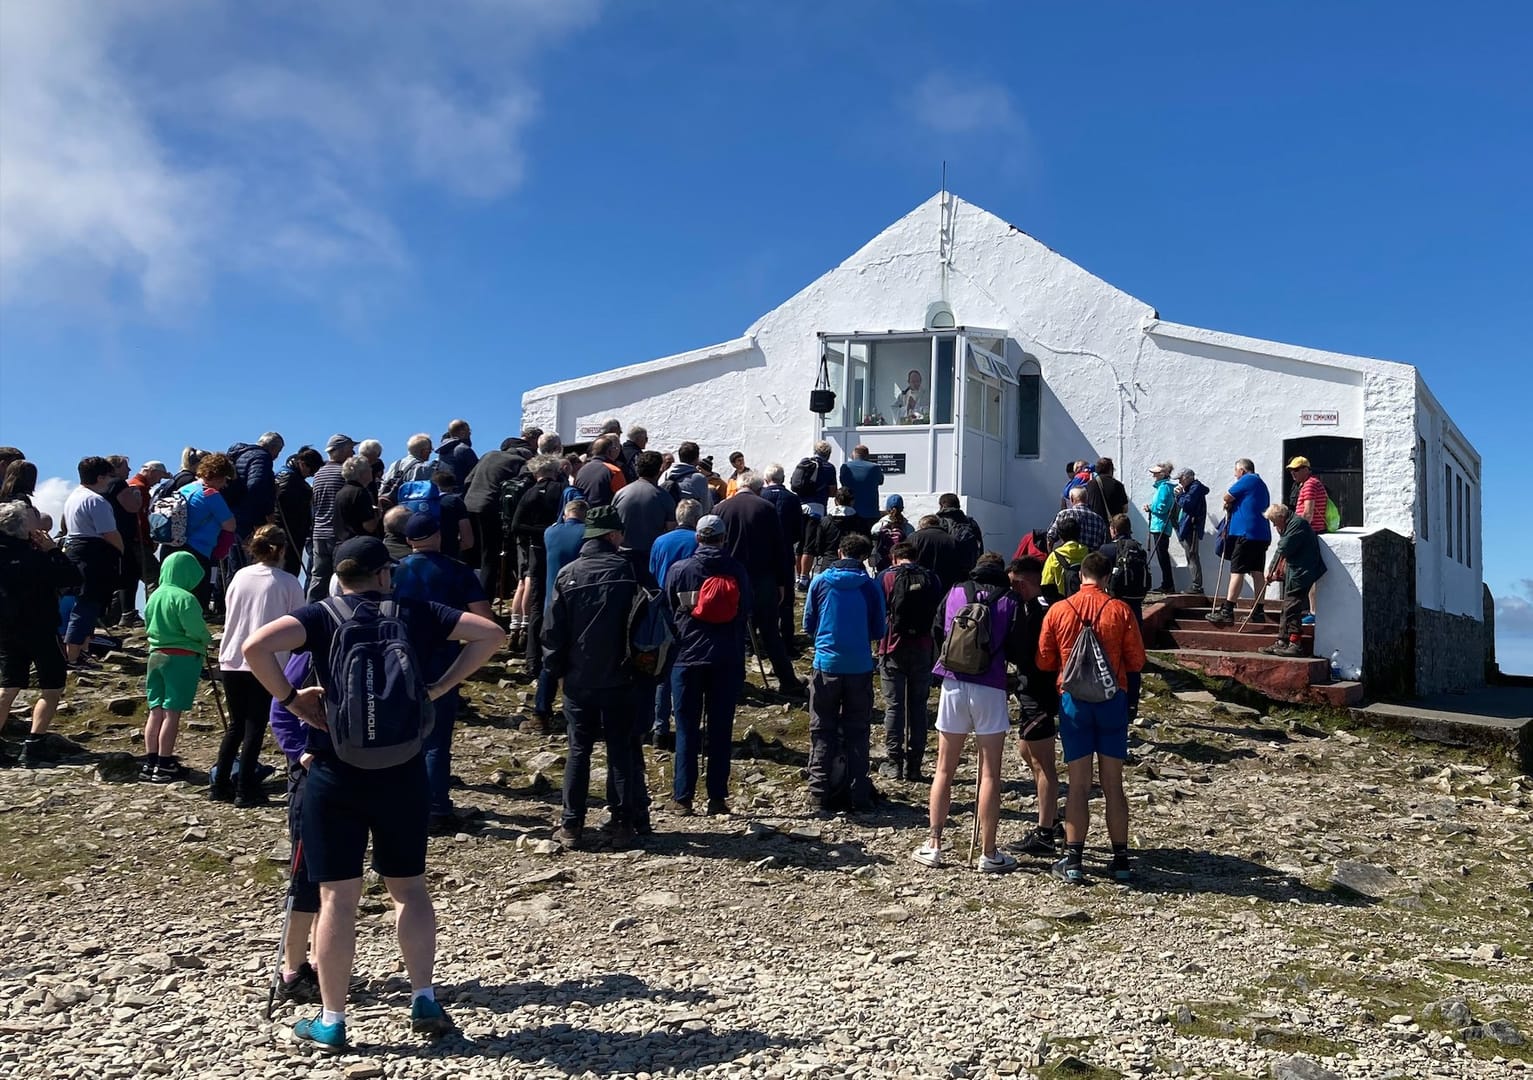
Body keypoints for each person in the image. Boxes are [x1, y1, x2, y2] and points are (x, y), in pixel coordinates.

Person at [242, 535, 503, 1052]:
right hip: (403, 769)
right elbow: (490, 633)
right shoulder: (416, 610)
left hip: (335, 770)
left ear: (341, 575)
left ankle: (333, 1020)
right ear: (386, 574)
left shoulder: (320, 615)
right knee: (410, 889)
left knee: (338, 896)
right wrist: (438, 686)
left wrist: (293, 700)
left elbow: (255, 648)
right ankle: (424, 997)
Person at [1036, 552, 1146, 885]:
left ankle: (1073, 860)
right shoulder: (1120, 610)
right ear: (1108, 576)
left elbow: (1043, 660)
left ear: (1080, 574)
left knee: (1078, 784)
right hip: (1112, 700)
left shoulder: (1059, 610)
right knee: (1114, 785)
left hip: (1074, 703)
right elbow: (1137, 661)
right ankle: (1121, 859)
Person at [543, 506, 649, 848]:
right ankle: (622, 824)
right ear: (612, 535)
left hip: (578, 678)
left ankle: (571, 825)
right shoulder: (629, 572)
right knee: (620, 749)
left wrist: (556, 672)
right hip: (622, 676)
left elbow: (552, 631)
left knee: (578, 750)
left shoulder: (567, 574)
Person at [912, 553, 1023, 873]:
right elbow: (1017, 648)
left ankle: (934, 844)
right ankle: (988, 852)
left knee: (944, 768)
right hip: (991, 686)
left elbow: (937, 631)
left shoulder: (955, 591)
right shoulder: (1010, 601)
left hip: (954, 683)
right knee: (990, 773)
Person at [392, 513, 496, 833]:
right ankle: (436, 807)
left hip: (398, 657)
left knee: (401, 733)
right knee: (436, 737)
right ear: (437, 535)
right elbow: (485, 619)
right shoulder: (458, 570)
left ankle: (399, 802)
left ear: (409, 541)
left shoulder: (394, 573)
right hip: (443, 659)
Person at [663, 514, 751, 816]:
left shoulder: (680, 569)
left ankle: (682, 797)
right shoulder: (736, 570)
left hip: (686, 656)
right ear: (723, 538)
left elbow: (669, 607)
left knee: (686, 727)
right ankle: (717, 797)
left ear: (697, 538)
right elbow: (745, 611)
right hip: (726, 656)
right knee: (720, 728)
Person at [213, 525, 305, 806]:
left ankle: (219, 785)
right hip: (268, 661)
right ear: (280, 550)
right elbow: (299, 622)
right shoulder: (288, 582)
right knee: (255, 725)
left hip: (232, 657)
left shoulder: (240, 576)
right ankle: (245, 789)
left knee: (236, 725)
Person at [802, 532, 885, 814]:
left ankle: (818, 795)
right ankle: (859, 794)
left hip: (826, 663)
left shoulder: (821, 581)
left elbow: (808, 623)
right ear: (863, 556)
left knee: (821, 729)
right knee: (858, 730)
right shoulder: (870, 586)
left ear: (839, 552)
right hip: (860, 665)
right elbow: (879, 629)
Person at [0, 502, 82, 768]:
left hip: (7, 628)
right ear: (25, 527)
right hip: (41, 627)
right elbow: (72, 579)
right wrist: (53, 551)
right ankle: (34, 744)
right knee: (52, 686)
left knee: (9, 685)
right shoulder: (37, 556)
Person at [716, 470, 806, 698]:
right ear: (758, 488)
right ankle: (787, 680)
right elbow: (779, 547)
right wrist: (783, 581)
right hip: (763, 577)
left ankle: (734, 683)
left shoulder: (721, 508)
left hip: (731, 578)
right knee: (769, 631)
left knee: (733, 631)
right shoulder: (765, 508)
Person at [266, 647, 322, 1008]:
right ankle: (292, 971)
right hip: (309, 776)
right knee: (304, 874)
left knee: (334, 876)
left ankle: (318, 961)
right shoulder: (309, 655)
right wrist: (300, 753)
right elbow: (279, 711)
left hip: (344, 776)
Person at [1007, 556, 1061, 858]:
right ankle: (1051, 817)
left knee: (1043, 764)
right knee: (1026, 750)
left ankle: (1046, 831)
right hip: (1038, 687)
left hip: (1038, 689)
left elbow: (1027, 650)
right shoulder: (1055, 601)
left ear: (1021, 581)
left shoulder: (1032, 609)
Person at [142, 550, 212, 784]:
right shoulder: (185, 598)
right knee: (172, 712)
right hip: (181, 656)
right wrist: (206, 639)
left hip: (156, 655)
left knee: (156, 710)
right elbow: (194, 628)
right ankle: (165, 763)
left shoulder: (154, 596)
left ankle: (150, 761)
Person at [523, 499, 588, 736]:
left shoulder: (551, 533)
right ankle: (579, 712)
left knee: (550, 659)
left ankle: (541, 712)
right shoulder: (587, 534)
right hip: (579, 603)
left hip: (552, 602)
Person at [875, 542, 939, 783]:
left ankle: (894, 763)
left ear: (894, 558)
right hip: (922, 647)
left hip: (892, 646)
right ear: (916, 557)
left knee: (894, 706)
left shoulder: (886, 577)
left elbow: (878, 610)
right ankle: (915, 765)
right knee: (918, 707)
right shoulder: (931, 578)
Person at [61, 457, 125, 668]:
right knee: (87, 605)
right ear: (99, 477)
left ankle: (82, 651)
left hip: (75, 551)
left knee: (84, 603)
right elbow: (109, 532)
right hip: (93, 554)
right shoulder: (96, 501)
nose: (109, 482)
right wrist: (120, 549)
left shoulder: (73, 497)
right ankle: (73, 656)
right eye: (108, 477)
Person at [648, 499, 701, 748]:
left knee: (664, 669)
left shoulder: (660, 541)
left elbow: (653, 572)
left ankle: (659, 725)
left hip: (663, 608)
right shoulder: (697, 542)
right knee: (687, 668)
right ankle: (685, 725)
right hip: (692, 608)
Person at [509, 455, 566, 677]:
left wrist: (539, 532)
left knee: (536, 604)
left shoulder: (529, 493)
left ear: (535, 474)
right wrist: (550, 531)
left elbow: (516, 525)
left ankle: (532, 660)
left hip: (536, 550)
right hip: (557, 548)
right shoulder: (562, 489)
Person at [463, 431, 535, 597]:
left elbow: (467, 481)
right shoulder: (520, 462)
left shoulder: (488, 455)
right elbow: (521, 488)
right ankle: (484, 601)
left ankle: (463, 599)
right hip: (491, 510)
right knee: (490, 558)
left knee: (469, 555)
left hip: (469, 505)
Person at [1207, 459, 1272, 626]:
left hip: (1245, 534)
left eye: (1236, 472)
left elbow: (1227, 496)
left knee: (1237, 571)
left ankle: (1228, 610)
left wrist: (1228, 502)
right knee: (1257, 572)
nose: (1235, 475)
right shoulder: (1260, 483)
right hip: (1261, 534)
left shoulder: (1247, 479)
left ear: (1242, 471)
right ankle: (1258, 610)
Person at [1258, 504, 1327, 658]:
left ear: (1282, 517)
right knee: (1287, 607)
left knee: (1291, 607)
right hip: (1296, 571)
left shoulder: (1297, 524)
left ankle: (1295, 644)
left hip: (1302, 572)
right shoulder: (1291, 524)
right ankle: (1282, 641)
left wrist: (1270, 570)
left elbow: (1284, 547)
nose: (1275, 526)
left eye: (1275, 522)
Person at [1099, 514, 1149, 719]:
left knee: (1112, 653)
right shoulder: (1139, 548)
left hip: (1115, 607)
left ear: (1113, 530)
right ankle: (1132, 704)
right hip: (1135, 606)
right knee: (1132, 656)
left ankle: (1110, 697)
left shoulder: (1106, 550)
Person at [612, 450, 677, 583]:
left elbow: (612, 525)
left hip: (623, 556)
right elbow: (671, 530)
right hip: (650, 557)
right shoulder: (664, 497)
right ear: (659, 469)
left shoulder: (620, 493)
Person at [758, 465, 804, 649]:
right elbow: (798, 531)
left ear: (766, 478)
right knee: (787, 598)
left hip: (763, 554)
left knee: (762, 595)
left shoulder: (759, 497)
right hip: (785, 552)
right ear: (783, 478)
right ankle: (787, 637)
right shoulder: (793, 499)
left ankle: (762, 636)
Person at [307, 435, 355, 602]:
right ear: (341, 450)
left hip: (319, 532)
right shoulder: (344, 473)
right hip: (337, 533)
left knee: (318, 577)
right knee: (341, 578)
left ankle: (311, 611)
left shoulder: (319, 474)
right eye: (350, 448)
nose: (353, 452)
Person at [102, 455, 145, 627]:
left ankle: (110, 616)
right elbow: (133, 507)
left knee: (115, 575)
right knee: (130, 574)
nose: (128, 470)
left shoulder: (102, 487)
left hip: (107, 535)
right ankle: (128, 613)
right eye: (125, 466)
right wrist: (136, 495)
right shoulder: (119, 484)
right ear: (115, 468)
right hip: (122, 536)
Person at [1286, 455, 1329, 619]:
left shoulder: (1310, 485)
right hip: (1313, 532)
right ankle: (1312, 611)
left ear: (1306, 469)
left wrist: (1294, 530)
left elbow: (1308, 514)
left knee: (1309, 574)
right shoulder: (1311, 483)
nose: (1293, 473)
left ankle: (1313, 612)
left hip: (1310, 533)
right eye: (1291, 470)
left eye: (1296, 470)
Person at [793, 441, 837, 589]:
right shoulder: (829, 467)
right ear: (828, 454)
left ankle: (798, 576)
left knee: (799, 544)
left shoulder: (804, 462)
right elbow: (832, 492)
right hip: (816, 509)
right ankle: (805, 578)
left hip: (800, 507)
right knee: (809, 545)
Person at [275, 447, 323, 581]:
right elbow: (282, 507)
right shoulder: (289, 478)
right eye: (312, 470)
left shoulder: (290, 476)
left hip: (293, 532)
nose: (312, 475)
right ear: (302, 463)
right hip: (289, 532)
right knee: (288, 570)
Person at [227, 432, 285, 539]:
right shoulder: (262, 457)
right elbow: (256, 485)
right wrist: (266, 514)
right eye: (278, 451)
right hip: (247, 518)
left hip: (231, 511)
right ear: (273, 448)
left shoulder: (239, 454)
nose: (277, 456)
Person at [126, 460, 167, 601]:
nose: (159, 481)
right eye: (159, 477)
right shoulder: (139, 488)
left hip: (131, 539)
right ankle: (154, 611)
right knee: (154, 576)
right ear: (152, 472)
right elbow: (141, 518)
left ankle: (118, 616)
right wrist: (148, 538)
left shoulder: (132, 485)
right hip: (139, 540)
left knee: (130, 578)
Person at [1142, 461, 1178, 594]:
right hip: (1160, 525)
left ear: (1162, 474)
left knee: (1162, 556)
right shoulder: (1163, 487)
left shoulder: (1164, 488)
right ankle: (1167, 583)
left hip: (1160, 525)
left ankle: (1167, 584)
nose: (1154, 476)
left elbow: (1162, 507)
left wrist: (1150, 508)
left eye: (1156, 473)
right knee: (1162, 555)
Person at [908, 513, 968, 592]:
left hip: (919, 584)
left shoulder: (914, 537)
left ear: (922, 525)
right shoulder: (952, 540)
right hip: (945, 586)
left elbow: (906, 559)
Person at [1173, 468, 1209, 595]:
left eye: (1180, 478)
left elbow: (1188, 503)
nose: (1179, 482)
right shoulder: (1191, 488)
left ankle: (1196, 585)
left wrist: (1179, 495)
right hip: (1187, 526)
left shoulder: (1195, 488)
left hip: (1191, 527)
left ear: (1188, 477)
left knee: (1192, 555)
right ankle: (1196, 584)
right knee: (1190, 555)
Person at [378, 434, 437, 509]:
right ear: (424, 451)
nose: (430, 453)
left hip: (388, 510)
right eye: (430, 450)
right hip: (407, 510)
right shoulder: (423, 468)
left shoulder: (394, 464)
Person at [837, 445, 884, 537]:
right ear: (867, 455)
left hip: (849, 512)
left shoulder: (845, 466)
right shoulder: (875, 468)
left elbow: (843, 483)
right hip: (870, 513)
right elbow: (880, 481)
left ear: (854, 454)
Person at [333, 456, 379, 549]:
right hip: (359, 546)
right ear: (362, 473)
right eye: (369, 468)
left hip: (341, 546)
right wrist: (378, 514)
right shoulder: (361, 492)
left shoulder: (340, 493)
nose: (371, 470)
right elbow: (369, 526)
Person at [1046, 485, 1107, 553]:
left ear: (1072, 499)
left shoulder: (1064, 514)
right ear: (1087, 499)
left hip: (1068, 559)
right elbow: (1103, 545)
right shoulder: (1099, 520)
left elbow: (1050, 539)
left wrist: (1051, 555)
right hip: (1090, 561)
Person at [1041, 515, 1089, 600]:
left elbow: (1046, 584)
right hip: (1086, 601)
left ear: (1060, 536)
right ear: (1079, 533)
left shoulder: (1054, 556)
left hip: (1063, 602)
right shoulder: (1088, 553)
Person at [431, 467, 473, 562]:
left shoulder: (425, 503)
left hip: (424, 557)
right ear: (452, 487)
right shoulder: (454, 501)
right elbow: (468, 541)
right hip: (448, 557)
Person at [661, 441, 713, 515]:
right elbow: (706, 507)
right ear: (697, 458)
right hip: (688, 520)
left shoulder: (666, 474)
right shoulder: (699, 478)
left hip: (667, 519)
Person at [574, 436, 623, 507]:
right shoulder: (614, 471)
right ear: (610, 451)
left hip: (583, 514)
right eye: (614, 448)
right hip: (605, 515)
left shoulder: (581, 470)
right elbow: (622, 498)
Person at [1080, 457, 1130, 523]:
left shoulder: (1089, 485)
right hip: (1113, 526)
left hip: (1096, 524)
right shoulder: (1118, 485)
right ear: (1110, 470)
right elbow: (1125, 508)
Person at [870, 494, 911, 572]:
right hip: (902, 567)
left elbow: (874, 549)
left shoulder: (877, 526)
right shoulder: (909, 528)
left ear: (887, 508)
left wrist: (873, 562)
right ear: (902, 508)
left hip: (882, 565)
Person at [435, 419, 478, 487]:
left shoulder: (443, 451)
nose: (470, 433)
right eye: (469, 431)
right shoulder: (464, 450)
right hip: (462, 493)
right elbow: (478, 473)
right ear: (462, 432)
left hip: (445, 493)